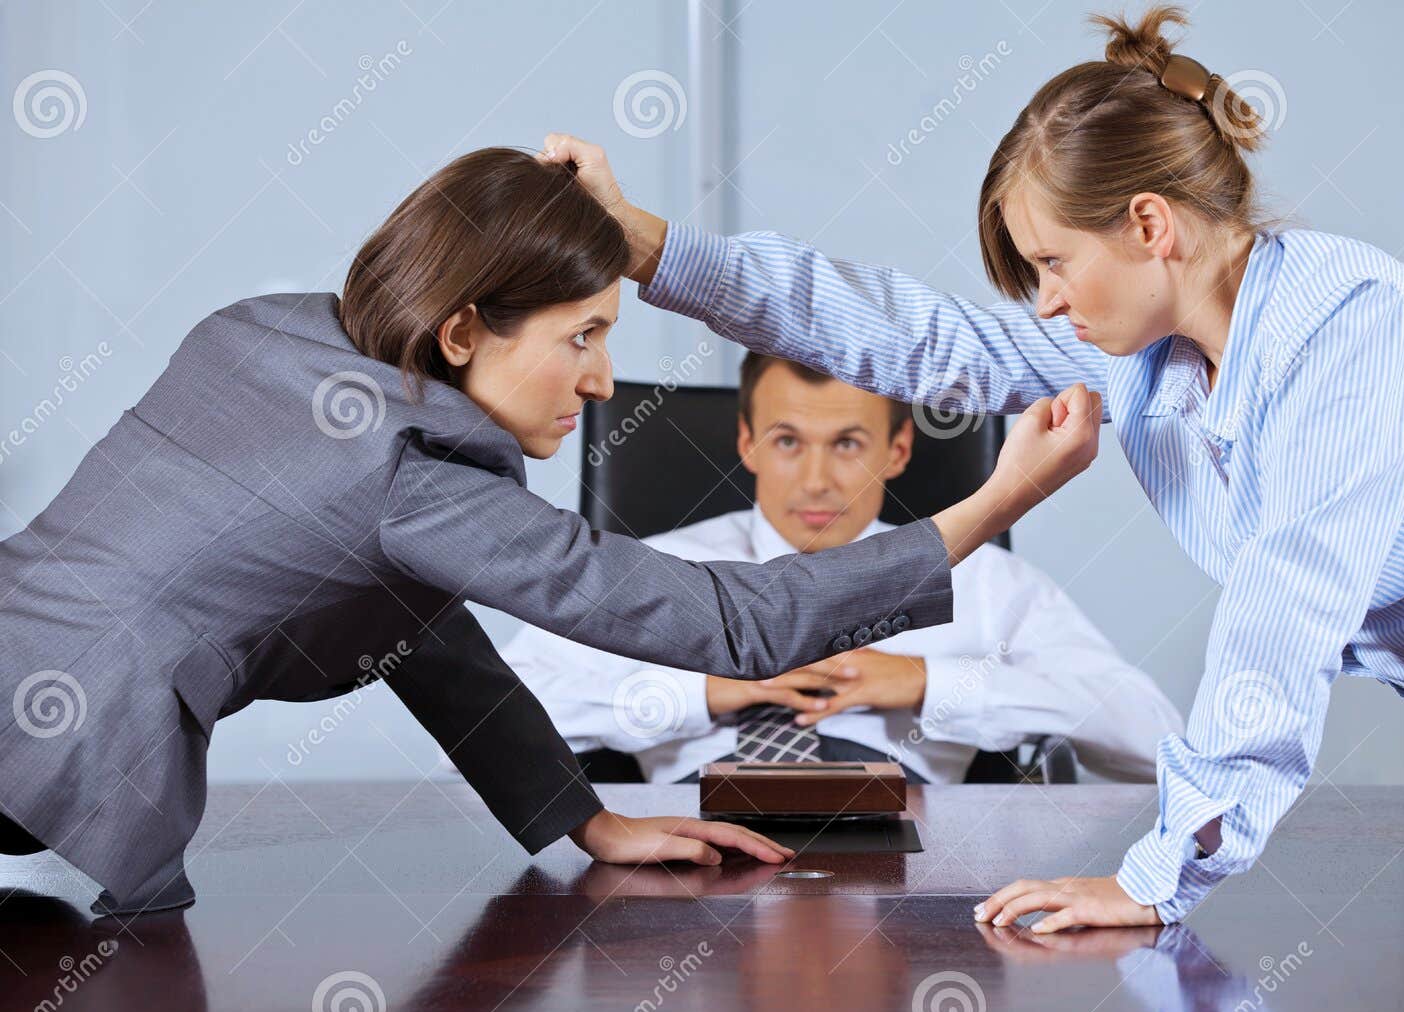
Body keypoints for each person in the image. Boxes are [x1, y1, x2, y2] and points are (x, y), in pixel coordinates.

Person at [543, 4, 1404, 930]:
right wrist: (646, 246)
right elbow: (914, 337)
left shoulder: (1345, 329)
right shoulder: (1143, 346)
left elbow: (1283, 606)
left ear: (1148, 224)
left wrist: (1157, 879)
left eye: (1053, 263)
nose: (1044, 301)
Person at [0, 147, 1100, 918]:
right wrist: (990, 505)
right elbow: (732, 621)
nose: (603, 376)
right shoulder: (408, 476)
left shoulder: (267, 333)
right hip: (48, 745)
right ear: (466, 327)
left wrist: (580, 818)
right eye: (581, 334)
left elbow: (409, 624)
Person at [489, 350, 1180, 783]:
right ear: (748, 442)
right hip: (685, 875)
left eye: (848, 443)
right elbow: (489, 725)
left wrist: (926, 682)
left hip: (916, 881)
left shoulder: (985, 581)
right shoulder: (653, 566)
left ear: (898, 449)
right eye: (789, 441)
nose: (816, 480)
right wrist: (700, 691)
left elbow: (1155, 742)